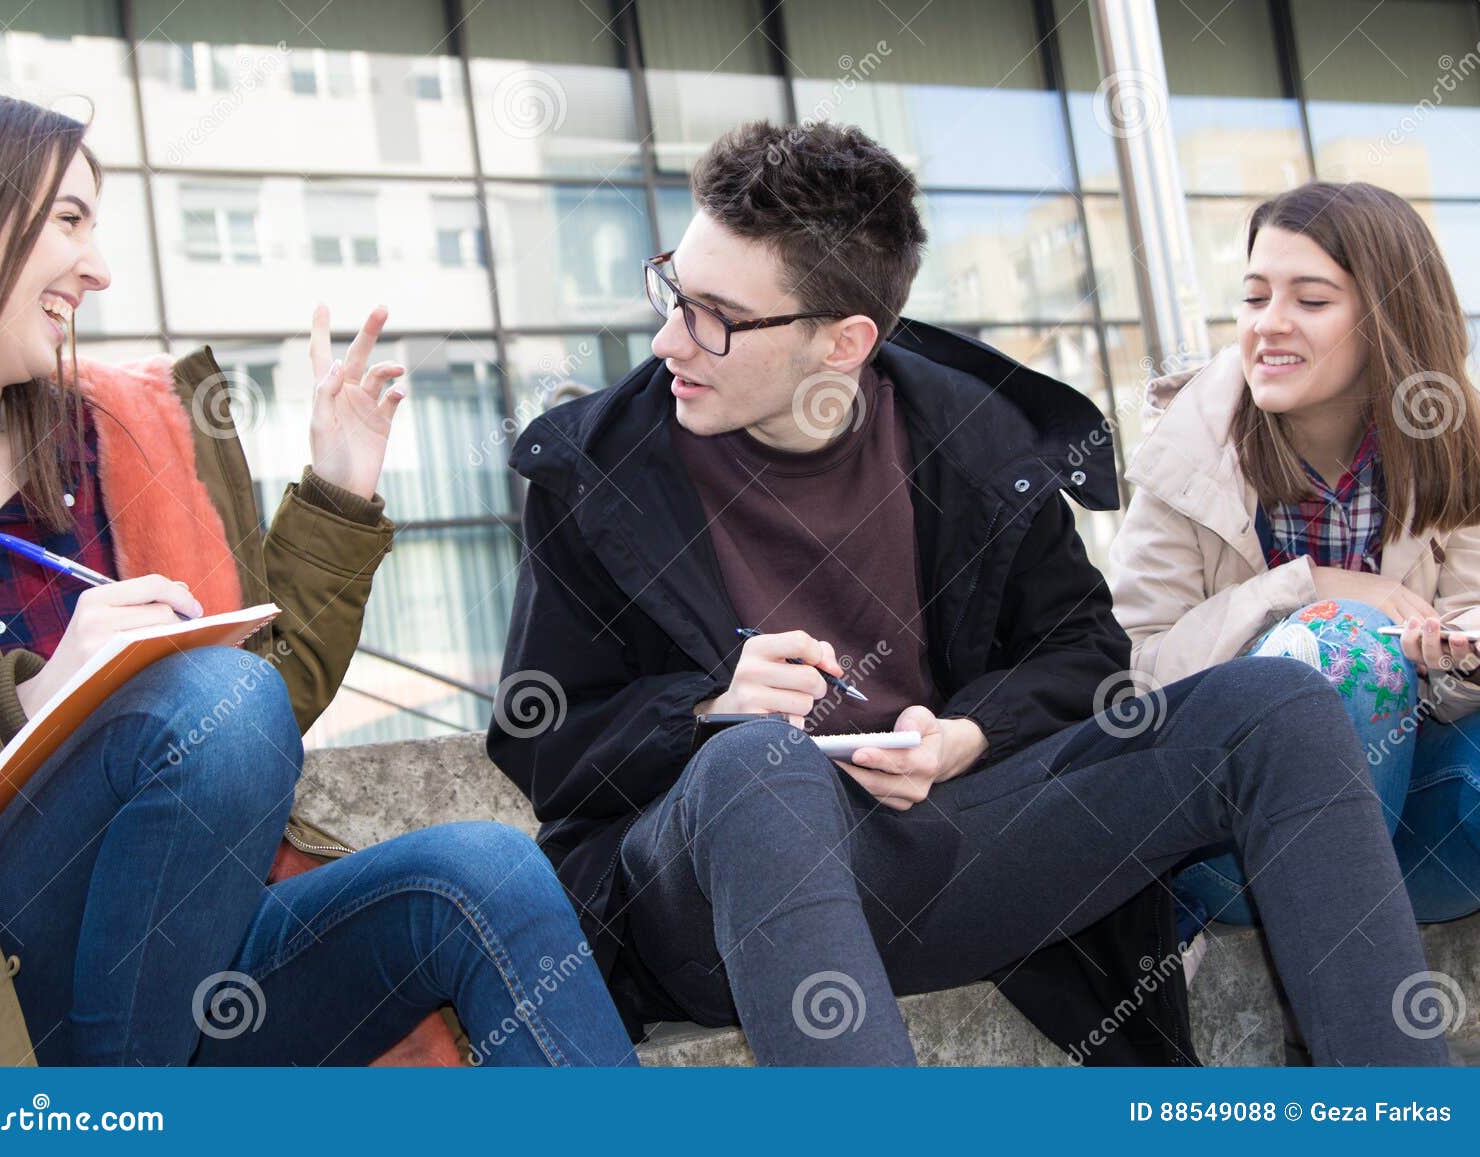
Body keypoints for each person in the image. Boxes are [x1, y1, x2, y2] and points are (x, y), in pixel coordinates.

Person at [487, 122, 1450, 1066]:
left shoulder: (978, 439)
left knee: (1275, 704)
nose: (668, 340)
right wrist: (707, 707)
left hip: (948, 846)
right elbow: (540, 738)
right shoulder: (599, 469)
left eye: (715, 316)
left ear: (843, 340)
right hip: (712, 891)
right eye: (674, 291)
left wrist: (966, 737)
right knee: (759, 766)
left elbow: (1085, 657)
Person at [0, 82, 634, 1067]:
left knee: (481, 870)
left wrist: (335, 494)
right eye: (68, 218)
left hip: (170, 963)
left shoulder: (111, 444)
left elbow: (245, 715)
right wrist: (32, 700)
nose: (99, 268)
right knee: (207, 701)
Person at [1109, 181, 1480, 948]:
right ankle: (1345, 1002)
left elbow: (1460, 640)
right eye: (1253, 298)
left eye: (1310, 301)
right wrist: (1307, 591)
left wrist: (1453, 658)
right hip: (1231, 842)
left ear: (1389, 319)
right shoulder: (1190, 453)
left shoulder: (1456, 442)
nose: (1267, 326)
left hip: (1411, 828)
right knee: (1343, 643)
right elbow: (1134, 679)